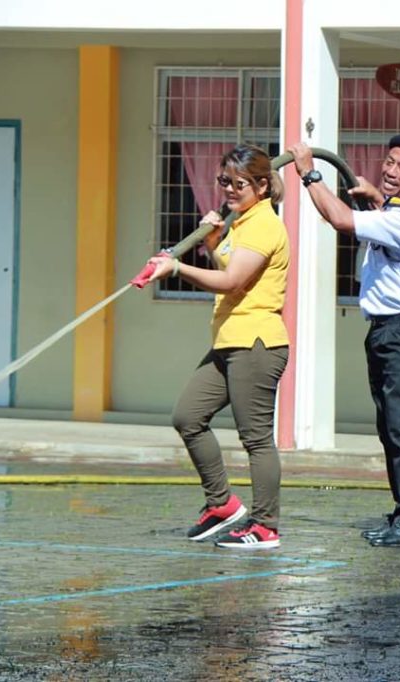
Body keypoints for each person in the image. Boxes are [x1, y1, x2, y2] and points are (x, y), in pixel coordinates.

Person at [287, 135, 400, 548]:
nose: (390, 171)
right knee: (391, 428)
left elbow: (339, 218)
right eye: (389, 162)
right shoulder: (395, 209)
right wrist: (377, 198)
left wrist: (309, 173)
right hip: (389, 331)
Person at [143, 143, 290, 550]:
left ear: (262, 186)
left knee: (256, 438)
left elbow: (232, 282)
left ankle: (265, 526)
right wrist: (213, 241)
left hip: (256, 344)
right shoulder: (242, 223)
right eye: (224, 181)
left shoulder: (263, 225)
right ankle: (222, 504)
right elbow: (229, 266)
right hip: (229, 341)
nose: (229, 190)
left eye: (239, 184)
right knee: (188, 416)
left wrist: (176, 267)